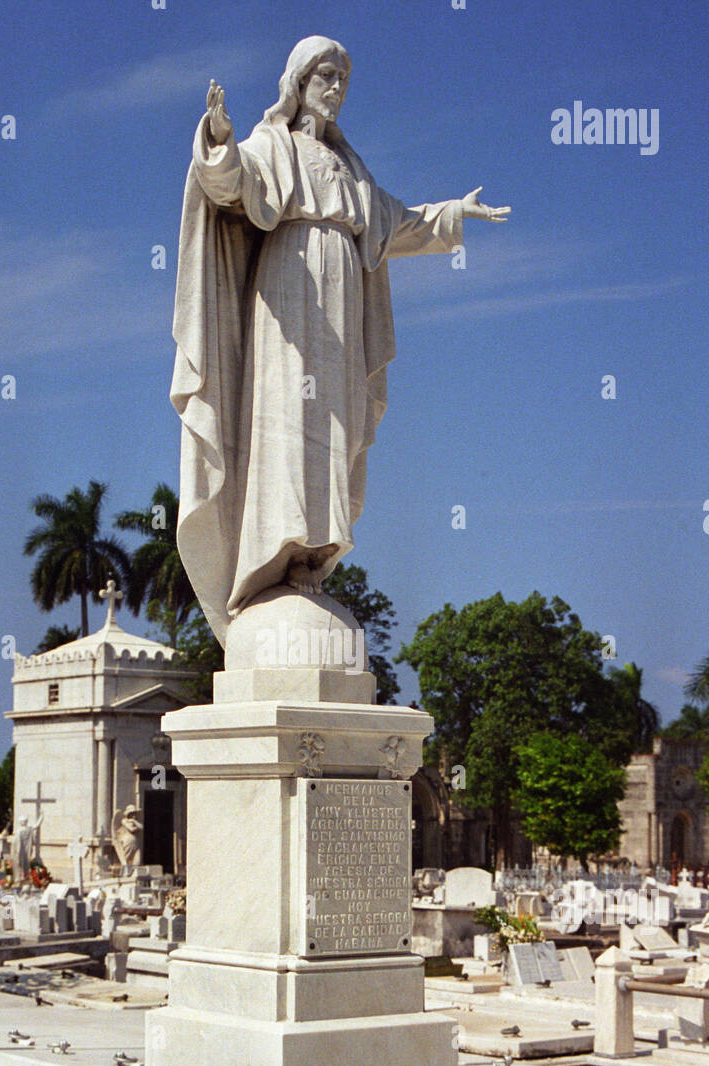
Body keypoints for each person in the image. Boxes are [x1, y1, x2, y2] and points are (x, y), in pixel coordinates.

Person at [173, 35, 510, 643]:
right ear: (298, 83)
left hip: (342, 303)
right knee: (285, 418)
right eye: (325, 76)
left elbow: (399, 224)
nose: (335, 89)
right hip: (288, 287)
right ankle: (270, 555)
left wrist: (456, 213)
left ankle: (310, 557)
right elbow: (228, 185)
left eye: (343, 81)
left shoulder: (352, 170)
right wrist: (219, 140)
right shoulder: (273, 146)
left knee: (337, 424)